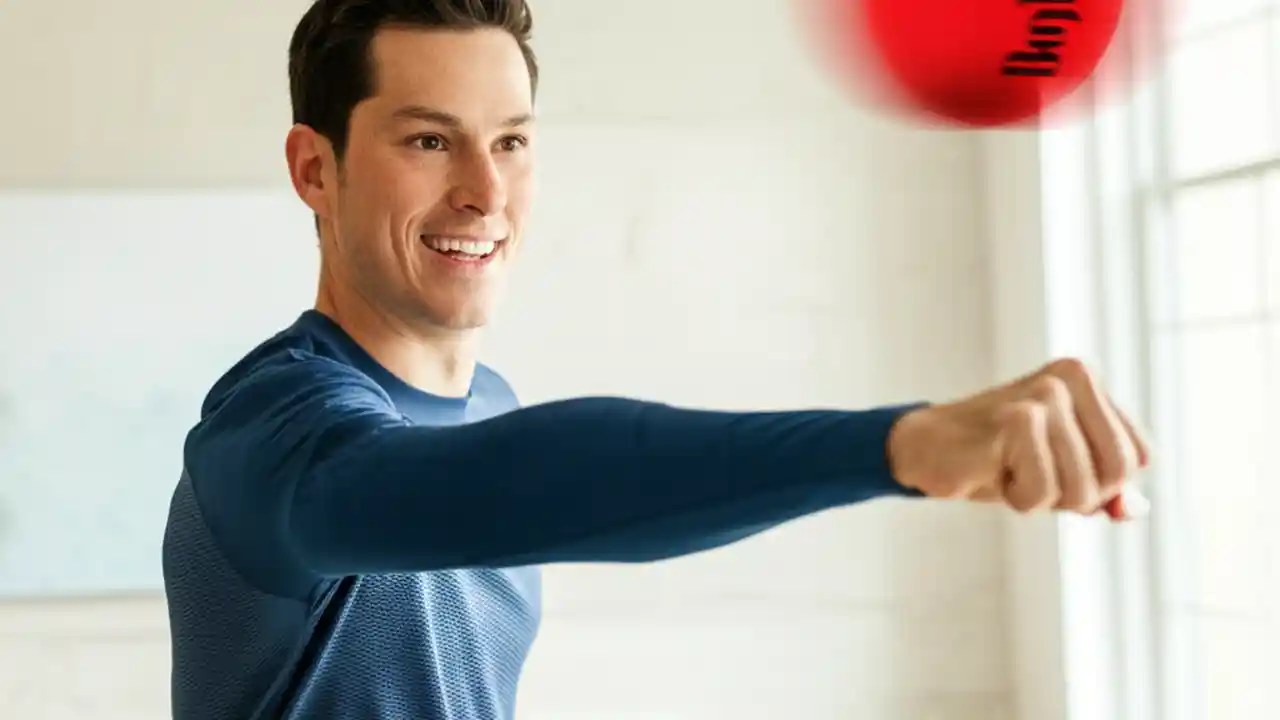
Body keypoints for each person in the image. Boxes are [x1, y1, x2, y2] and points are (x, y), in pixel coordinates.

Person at [161, 1, 1151, 718]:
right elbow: (515, 479)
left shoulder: (489, 404)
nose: (484, 193)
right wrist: (900, 444)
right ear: (314, 168)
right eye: (429, 141)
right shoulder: (268, 432)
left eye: (511, 143)